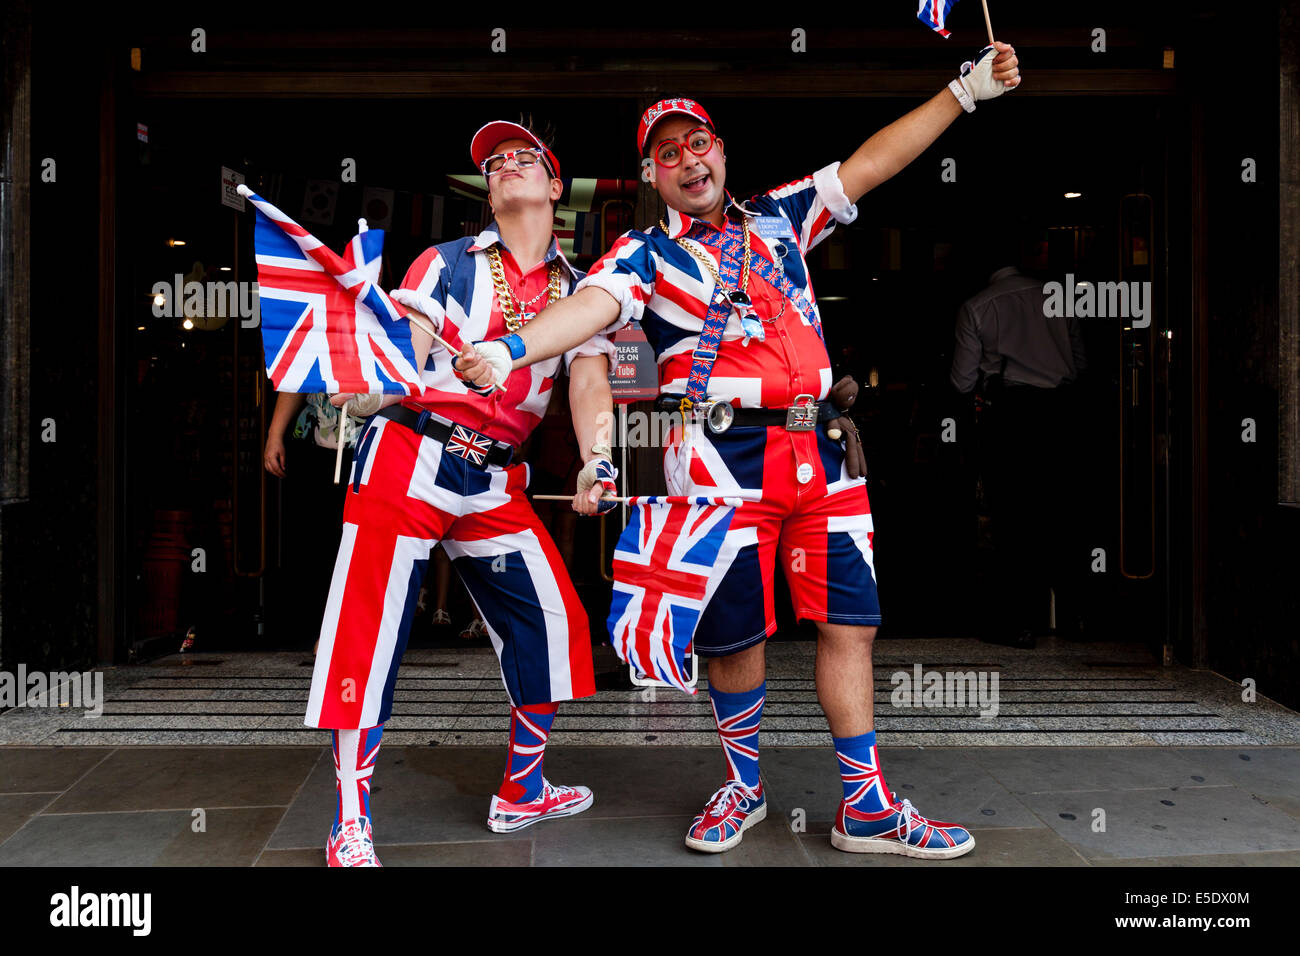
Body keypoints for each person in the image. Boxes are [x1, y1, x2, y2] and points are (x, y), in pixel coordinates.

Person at [454, 43, 1022, 858]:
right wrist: (511, 351)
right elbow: (587, 310)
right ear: (652, 176)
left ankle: (866, 807)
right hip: (721, 460)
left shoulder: (783, 215)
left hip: (821, 450)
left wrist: (963, 92)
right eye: (668, 152)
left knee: (850, 627)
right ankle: (744, 787)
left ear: (721, 151)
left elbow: (871, 163)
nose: (689, 159)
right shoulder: (643, 255)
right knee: (733, 635)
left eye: (699, 143)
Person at [305, 119, 619, 866]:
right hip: (410, 453)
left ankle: (522, 790)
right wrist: (364, 391)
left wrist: (598, 460)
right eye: (495, 162)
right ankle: (350, 819)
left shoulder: (582, 292)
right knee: (369, 629)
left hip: (494, 475)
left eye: (525, 157)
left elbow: (588, 382)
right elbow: (405, 354)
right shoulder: (444, 262)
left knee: (551, 621)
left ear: (552, 187)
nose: (507, 165)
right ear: (489, 191)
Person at [950, 240, 1088, 649]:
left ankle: (1018, 622)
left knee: (1013, 516)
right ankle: (1075, 613)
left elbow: (960, 380)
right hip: (1061, 413)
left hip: (1012, 414)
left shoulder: (977, 306)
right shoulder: (1058, 298)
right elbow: (1081, 363)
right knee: (1063, 512)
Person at [263, 392, 366, 655]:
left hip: (374, 444)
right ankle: (327, 629)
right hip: (319, 443)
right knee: (321, 540)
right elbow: (296, 382)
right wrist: (275, 434)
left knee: (364, 543)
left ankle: (359, 629)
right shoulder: (314, 349)